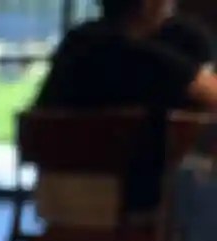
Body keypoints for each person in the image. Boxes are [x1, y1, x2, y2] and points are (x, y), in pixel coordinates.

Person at [34, 0, 217, 211]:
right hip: (137, 212)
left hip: (61, 205)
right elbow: (210, 94)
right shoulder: (151, 56)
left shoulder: (77, 44)